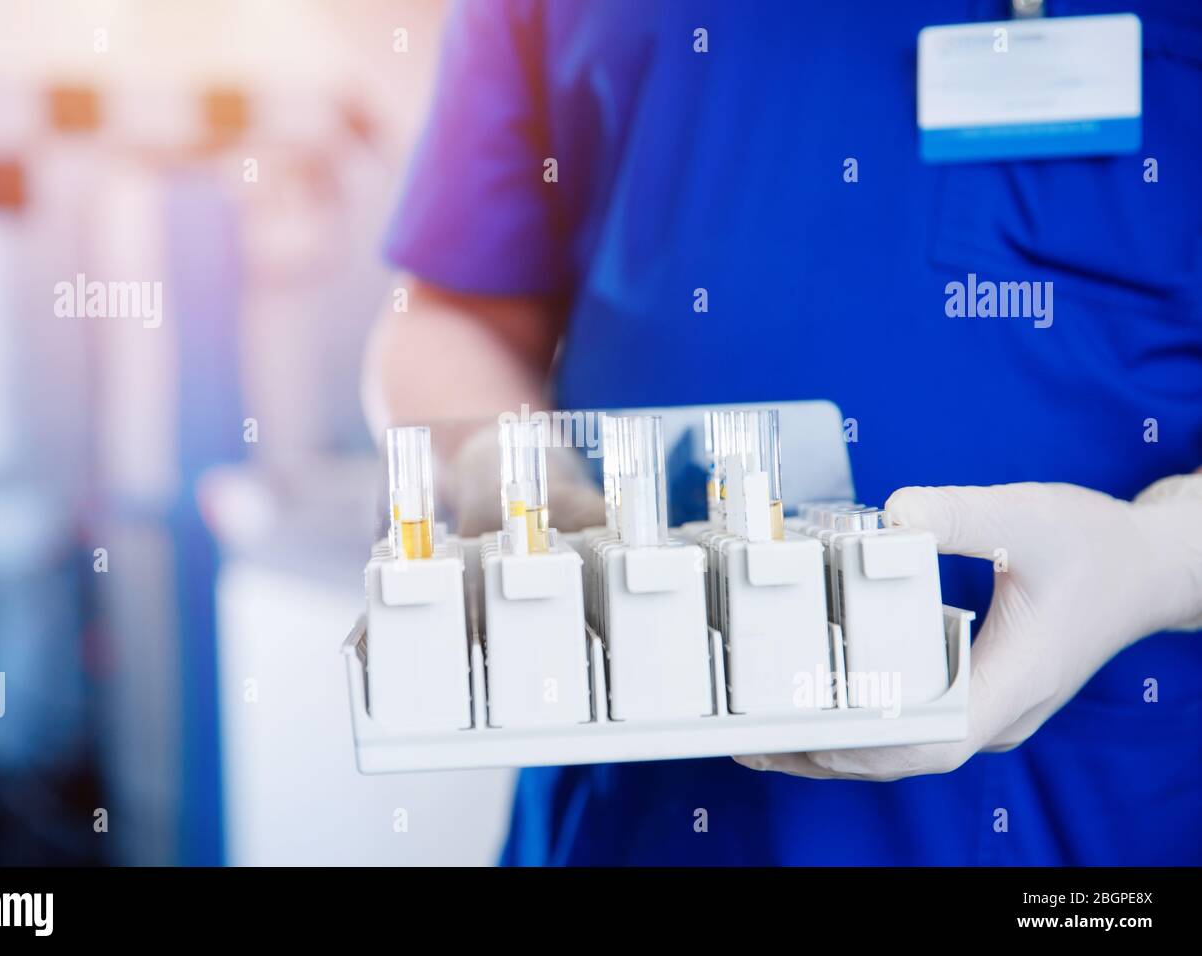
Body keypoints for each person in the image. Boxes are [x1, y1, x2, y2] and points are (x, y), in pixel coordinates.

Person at [362, 0, 1202, 865]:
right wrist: (508, 473)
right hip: (636, 812)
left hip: (1077, 826)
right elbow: (457, 312)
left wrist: (1157, 555)